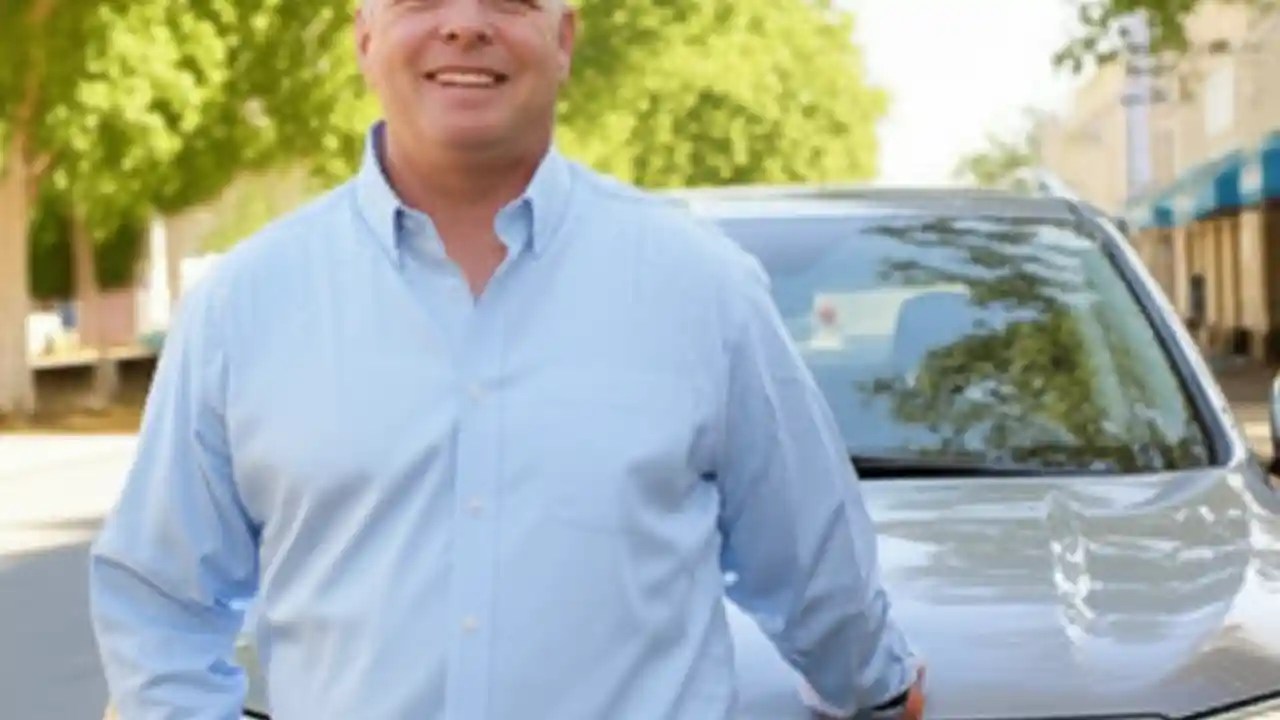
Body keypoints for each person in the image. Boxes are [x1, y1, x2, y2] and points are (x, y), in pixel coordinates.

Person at [89, 0, 925, 718]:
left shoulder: (703, 291)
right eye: (421, 1)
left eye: (510, 1)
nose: (464, 26)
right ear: (364, 39)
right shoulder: (244, 306)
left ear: (564, 40)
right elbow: (159, 602)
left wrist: (876, 690)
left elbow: (812, 559)